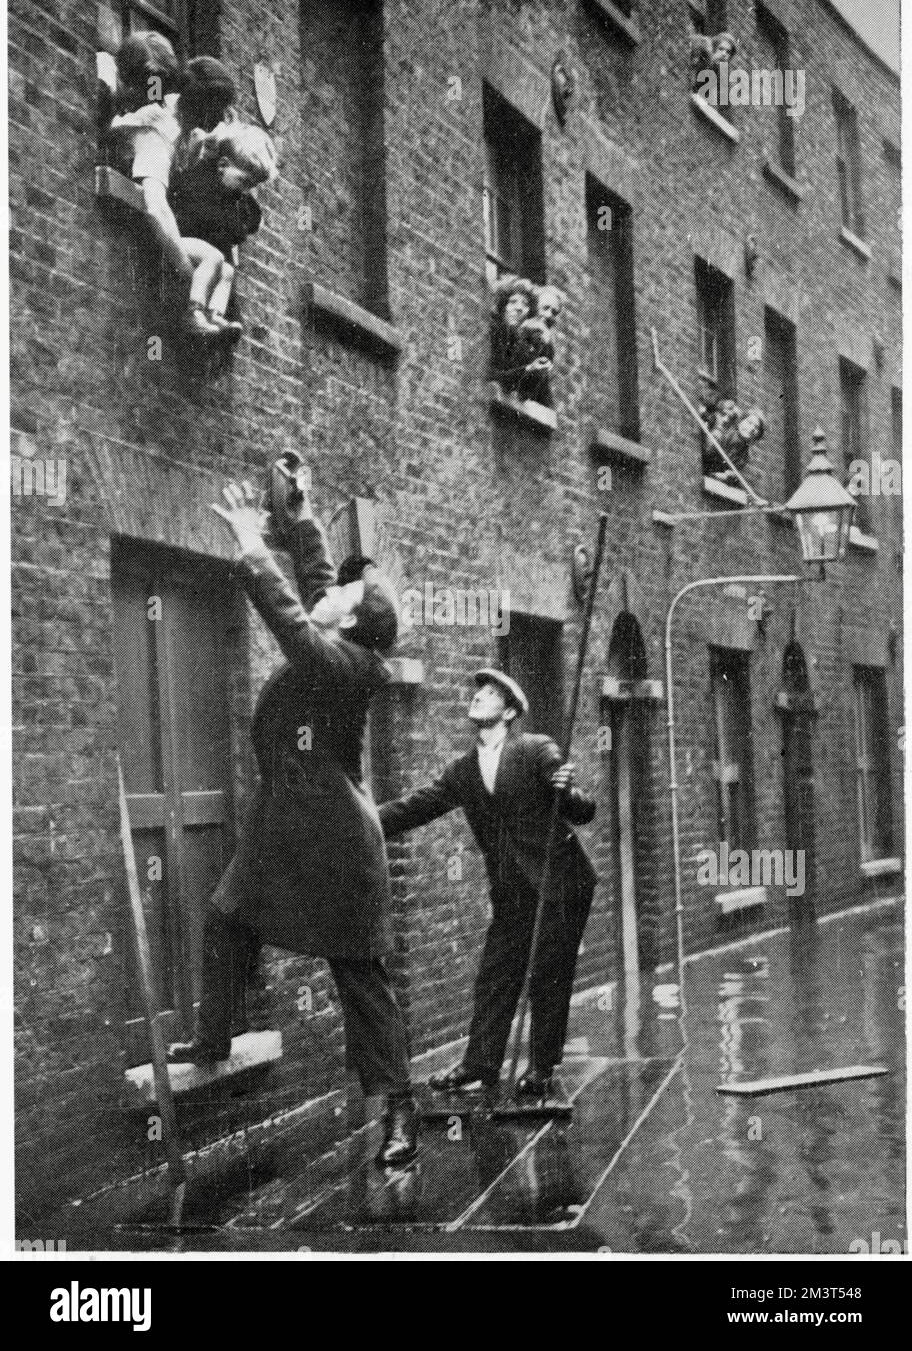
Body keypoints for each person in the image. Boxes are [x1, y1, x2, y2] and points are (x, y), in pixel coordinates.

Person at [166, 464, 419, 1168]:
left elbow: (294, 623)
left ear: (353, 620)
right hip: (286, 826)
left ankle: (399, 1110)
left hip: (338, 845)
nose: (329, 592)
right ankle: (214, 1041)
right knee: (227, 918)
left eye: (343, 593)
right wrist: (302, 516)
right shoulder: (338, 639)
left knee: (360, 981)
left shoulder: (346, 666)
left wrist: (251, 545)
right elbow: (313, 589)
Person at [378, 670, 597, 1101]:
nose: (479, 696)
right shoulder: (462, 770)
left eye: (492, 693)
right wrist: (363, 822)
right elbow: (417, 806)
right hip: (513, 890)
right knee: (496, 974)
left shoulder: (536, 750)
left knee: (550, 976)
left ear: (510, 711)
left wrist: (567, 792)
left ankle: (541, 1067)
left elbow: (582, 810)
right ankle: (480, 1064)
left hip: (561, 883)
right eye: (478, 690)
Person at [106, 35, 237, 320]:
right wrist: (189, 273)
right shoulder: (158, 131)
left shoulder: (179, 117)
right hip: (145, 257)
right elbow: (156, 208)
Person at [169, 122, 277, 338]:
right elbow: (195, 208)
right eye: (243, 181)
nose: (245, 190)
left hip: (200, 244)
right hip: (180, 235)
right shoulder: (201, 179)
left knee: (227, 270)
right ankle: (194, 311)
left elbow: (244, 227)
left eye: (251, 186)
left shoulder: (234, 196)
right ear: (223, 165)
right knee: (214, 257)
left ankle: (215, 314)